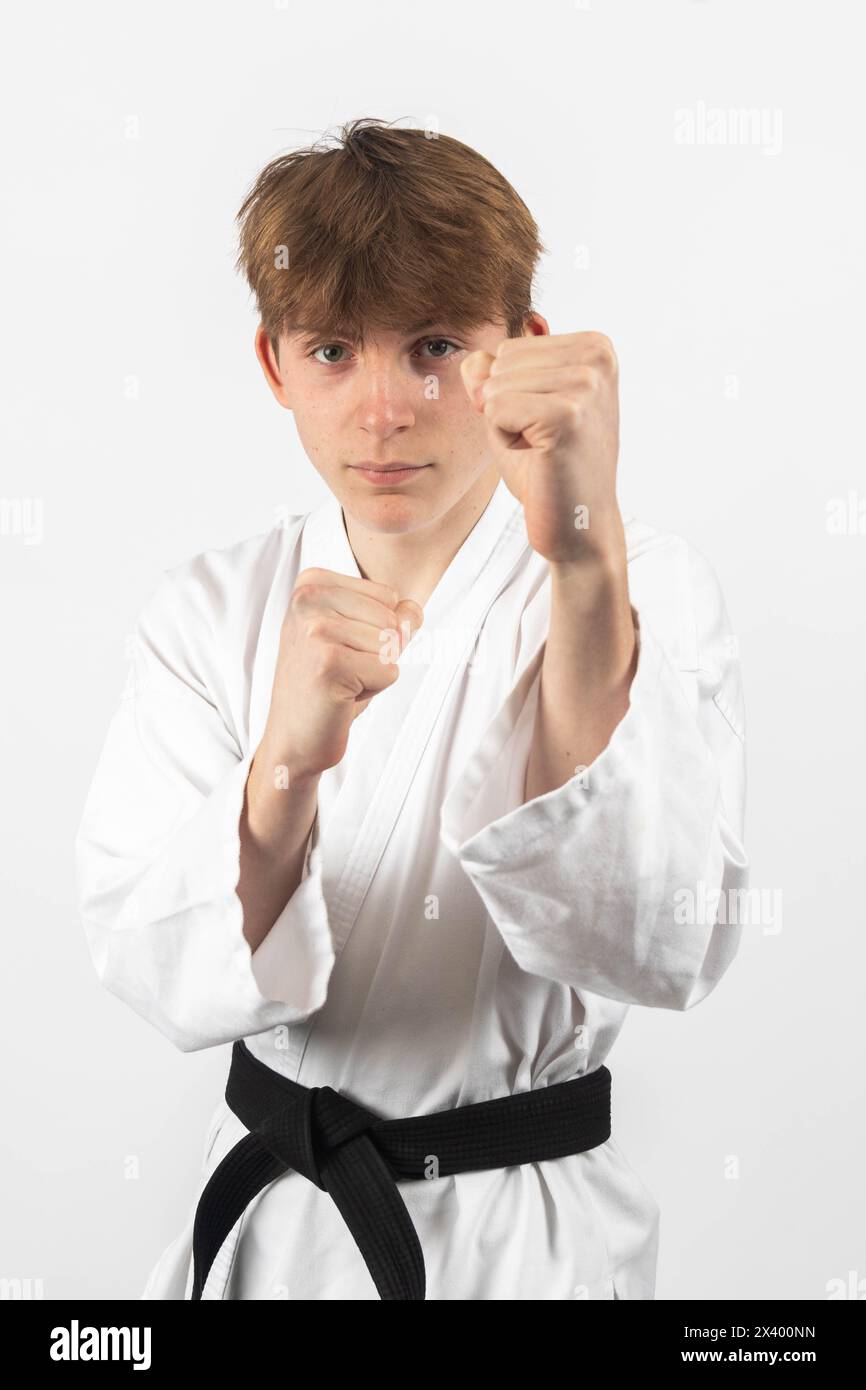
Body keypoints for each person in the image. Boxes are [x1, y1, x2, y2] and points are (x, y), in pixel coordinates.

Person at [75, 117, 748, 1301]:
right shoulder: (210, 611)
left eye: (433, 345)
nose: (382, 408)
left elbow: (654, 934)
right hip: (277, 1223)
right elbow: (146, 961)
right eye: (333, 350)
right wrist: (283, 761)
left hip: (526, 1241)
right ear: (272, 365)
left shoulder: (648, 582)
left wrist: (582, 572)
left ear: (522, 350)